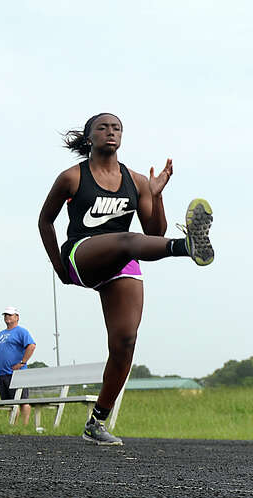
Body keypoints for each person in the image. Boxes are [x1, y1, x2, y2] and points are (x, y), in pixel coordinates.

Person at [37, 113, 214, 445]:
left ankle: (97, 421)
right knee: (127, 241)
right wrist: (59, 268)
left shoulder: (136, 181)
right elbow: (45, 221)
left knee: (125, 343)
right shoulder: (72, 178)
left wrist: (156, 194)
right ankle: (187, 246)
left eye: (116, 127)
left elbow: (154, 232)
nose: (110, 132)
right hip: (82, 253)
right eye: (102, 127)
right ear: (89, 137)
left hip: (122, 261)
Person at [0, 306, 36, 426]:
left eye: (10, 315)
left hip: (17, 374)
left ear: (17, 317)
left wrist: (22, 362)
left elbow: (31, 345)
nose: (7, 317)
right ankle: (13, 426)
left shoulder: (21, 331)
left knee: (23, 400)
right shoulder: (1, 334)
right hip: (3, 373)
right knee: (9, 403)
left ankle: (24, 425)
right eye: (5, 315)